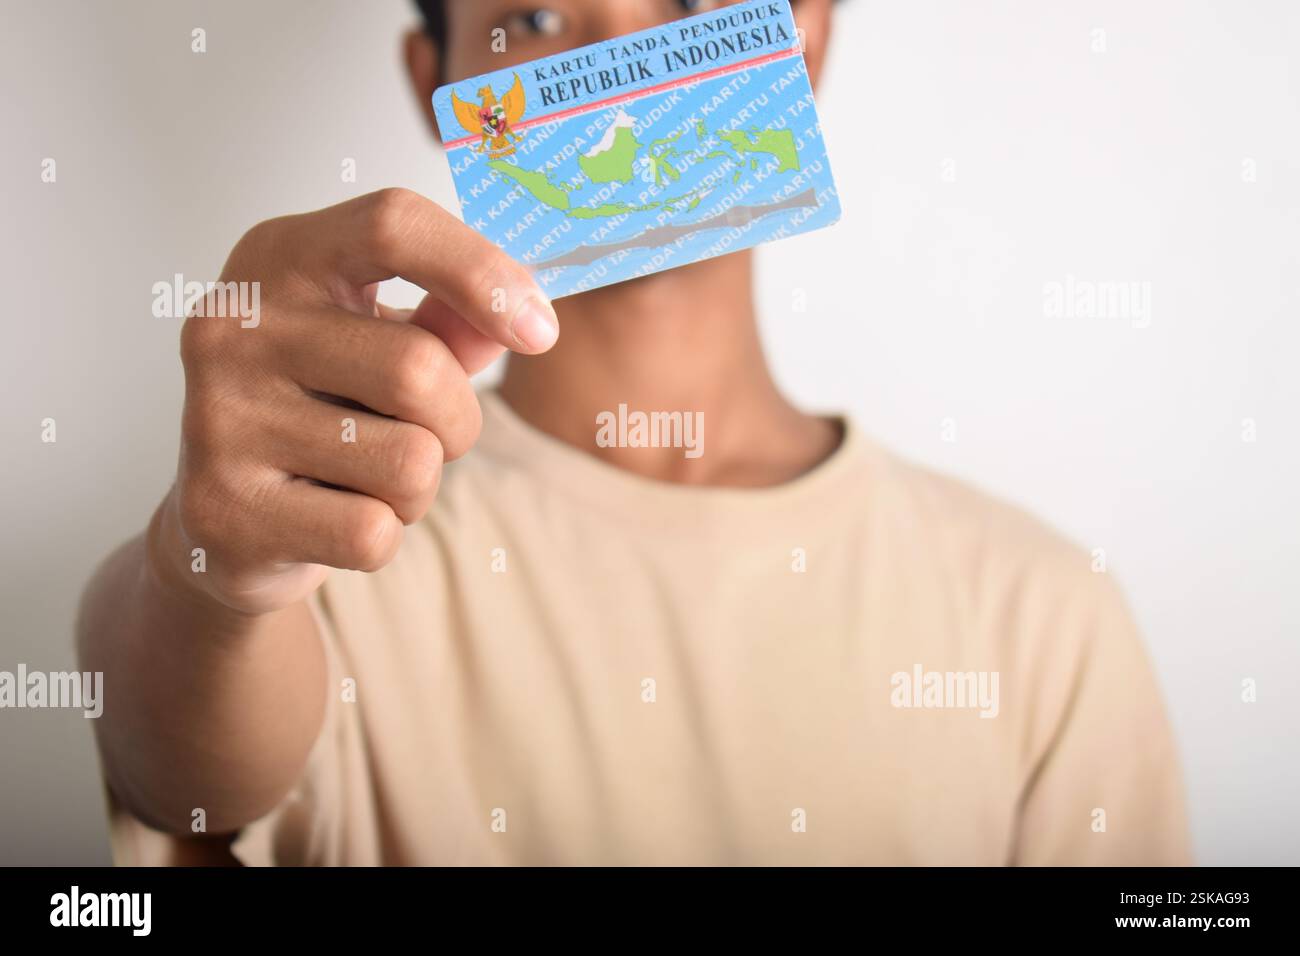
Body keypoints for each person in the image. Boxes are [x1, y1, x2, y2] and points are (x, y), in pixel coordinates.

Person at [78, 0, 1191, 866]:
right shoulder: (328, 536)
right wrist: (211, 583)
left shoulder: (1042, 617)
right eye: (544, 21)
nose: (616, 81)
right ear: (436, 81)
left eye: (694, 6)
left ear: (805, 34)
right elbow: (178, 754)